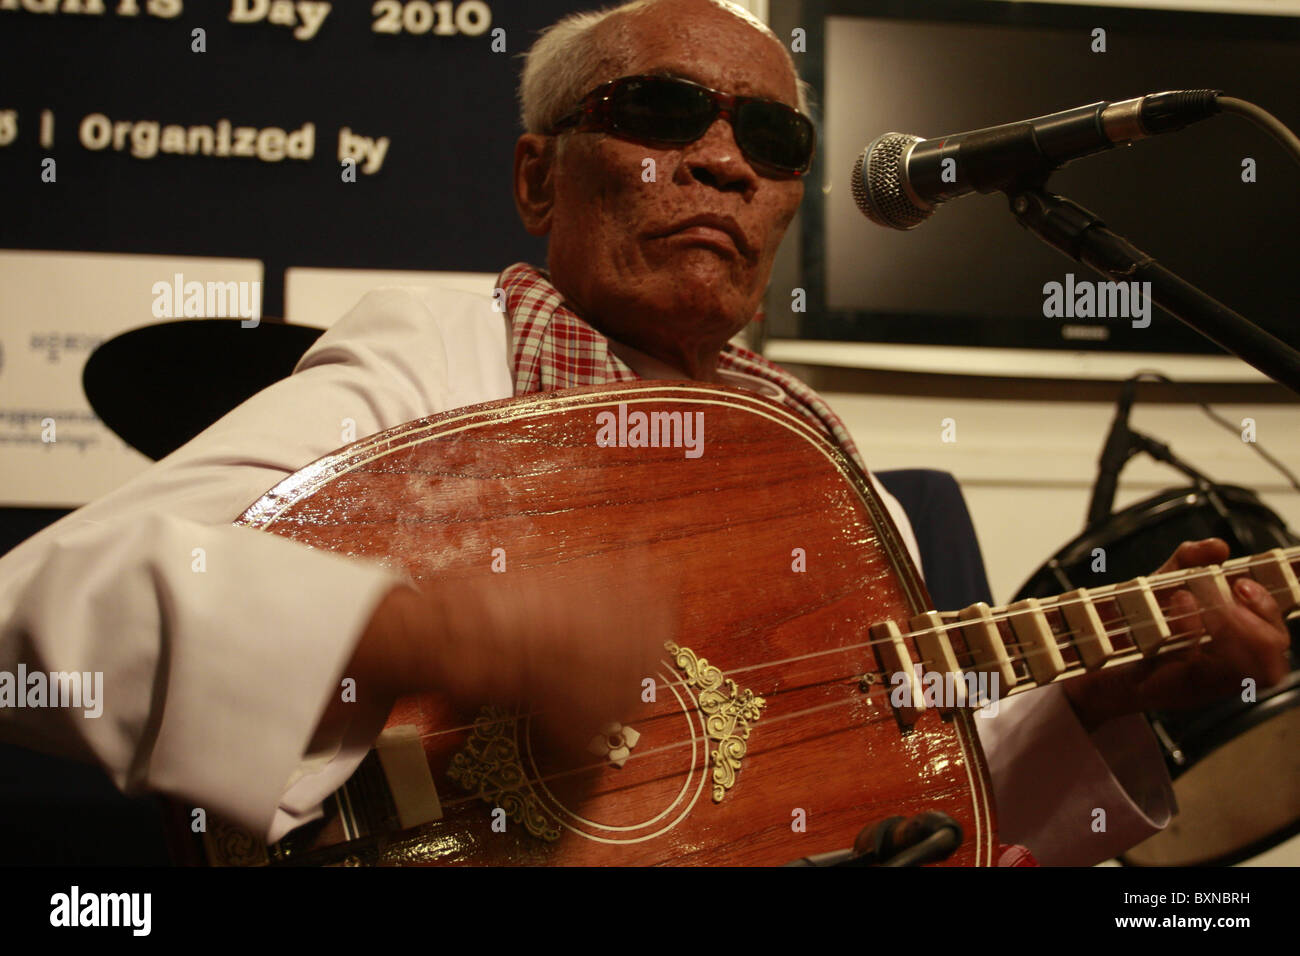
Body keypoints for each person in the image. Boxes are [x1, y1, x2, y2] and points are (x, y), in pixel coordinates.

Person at [0, 0, 1289, 866]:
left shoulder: (830, 475)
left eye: (774, 137)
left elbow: (902, 787)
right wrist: (423, 627)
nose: (726, 160)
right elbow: (38, 611)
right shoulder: (434, 360)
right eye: (665, 114)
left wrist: (1110, 689)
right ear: (535, 177)